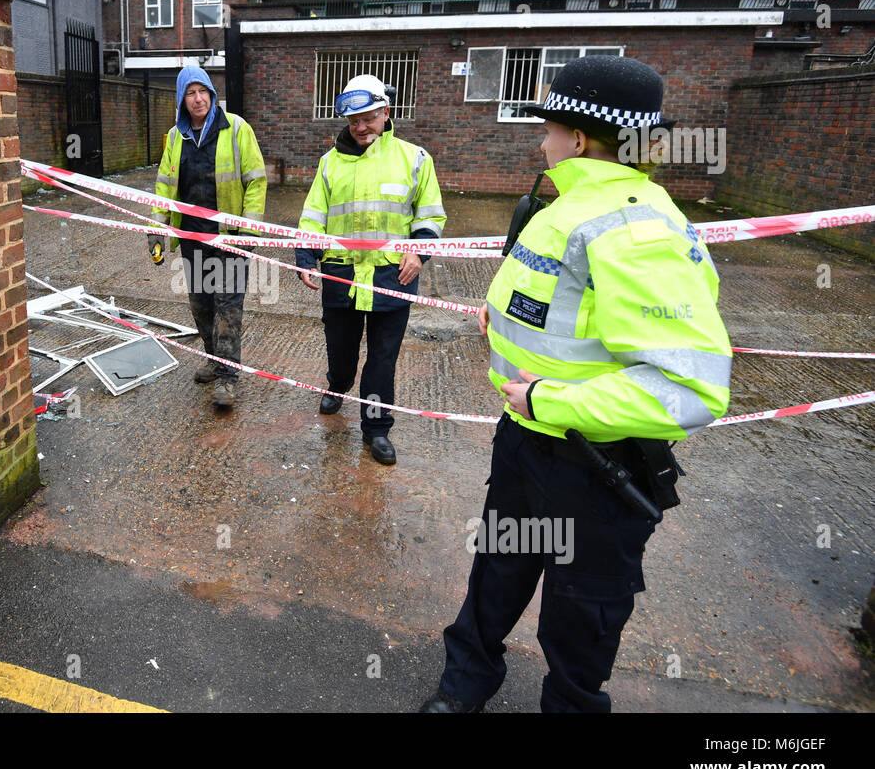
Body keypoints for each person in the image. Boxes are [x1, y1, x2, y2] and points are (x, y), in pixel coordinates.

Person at [419, 55, 731, 713]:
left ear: (580, 138)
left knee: (580, 613)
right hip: (526, 446)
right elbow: (556, 305)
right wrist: (501, 326)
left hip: (595, 468)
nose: (542, 142)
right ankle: (466, 683)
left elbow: (692, 388)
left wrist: (549, 399)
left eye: (549, 129)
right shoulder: (581, 205)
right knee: (496, 575)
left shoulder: (632, 226)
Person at [296, 74, 446, 466]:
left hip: (391, 278)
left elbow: (429, 215)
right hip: (341, 277)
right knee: (340, 349)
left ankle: (376, 428)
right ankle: (338, 386)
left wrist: (419, 252)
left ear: (386, 114)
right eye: (354, 121)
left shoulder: (414, 159)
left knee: (382, 360)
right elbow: (314, 216)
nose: (361, 127)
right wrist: (306, 256)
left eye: (369, 118)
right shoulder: (329, 163)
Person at [148, 65, 267, 410]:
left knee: (227, 307)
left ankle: (228, 378)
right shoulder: (175, 137)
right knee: (201, 306)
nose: (198, 99)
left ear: (212, 95)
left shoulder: (236, 129)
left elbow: (256, 181)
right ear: (182, 100)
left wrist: (248, 231)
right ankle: (214, 360)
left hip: (229, 239)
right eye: (190, 92)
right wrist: (157, 232)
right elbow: (163, 189)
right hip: (191, 238)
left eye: (203, 91)